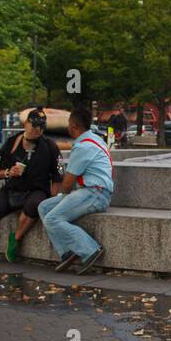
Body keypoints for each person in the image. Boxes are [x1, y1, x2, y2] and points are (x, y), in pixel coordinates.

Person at [0, 109, 61, 263]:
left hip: (37, 189)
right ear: (25, 124)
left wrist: (53, 199)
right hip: (12, 188)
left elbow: (58, 175)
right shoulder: (12, 142)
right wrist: (8, 172)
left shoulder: (50, 146)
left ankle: (16, 238)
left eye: (40, 128)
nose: (37, 131)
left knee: (34, 205)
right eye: (33, 127)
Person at [38, 107, 113, 273]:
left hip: (95, 193)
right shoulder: (95, 139)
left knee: (52, 219)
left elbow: (67, 183)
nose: (67, 128)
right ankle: (67, 252)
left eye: (69, 125)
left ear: (74, 127)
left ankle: (90, 250)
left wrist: (63, 197)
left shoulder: (83, 147)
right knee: (44, 207)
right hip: (91, 192)